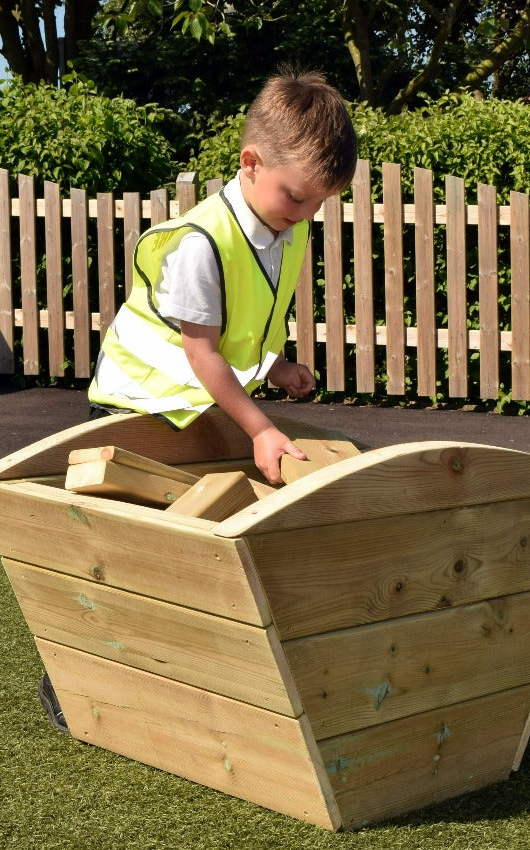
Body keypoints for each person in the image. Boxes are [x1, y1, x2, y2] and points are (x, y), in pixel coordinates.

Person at [37, 68, 358, 733]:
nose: (307, 215)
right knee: (126, 551)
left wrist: (279, 364)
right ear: (249, 164)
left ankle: (176, 670)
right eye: (298, 198)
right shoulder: (199, 244)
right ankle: (69, 683)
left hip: (193, 403)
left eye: (319, 204)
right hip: (137, 405)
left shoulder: (283, 229)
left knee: (193, 539)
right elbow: (201, 350)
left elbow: (244, 321)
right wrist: (261, 427)